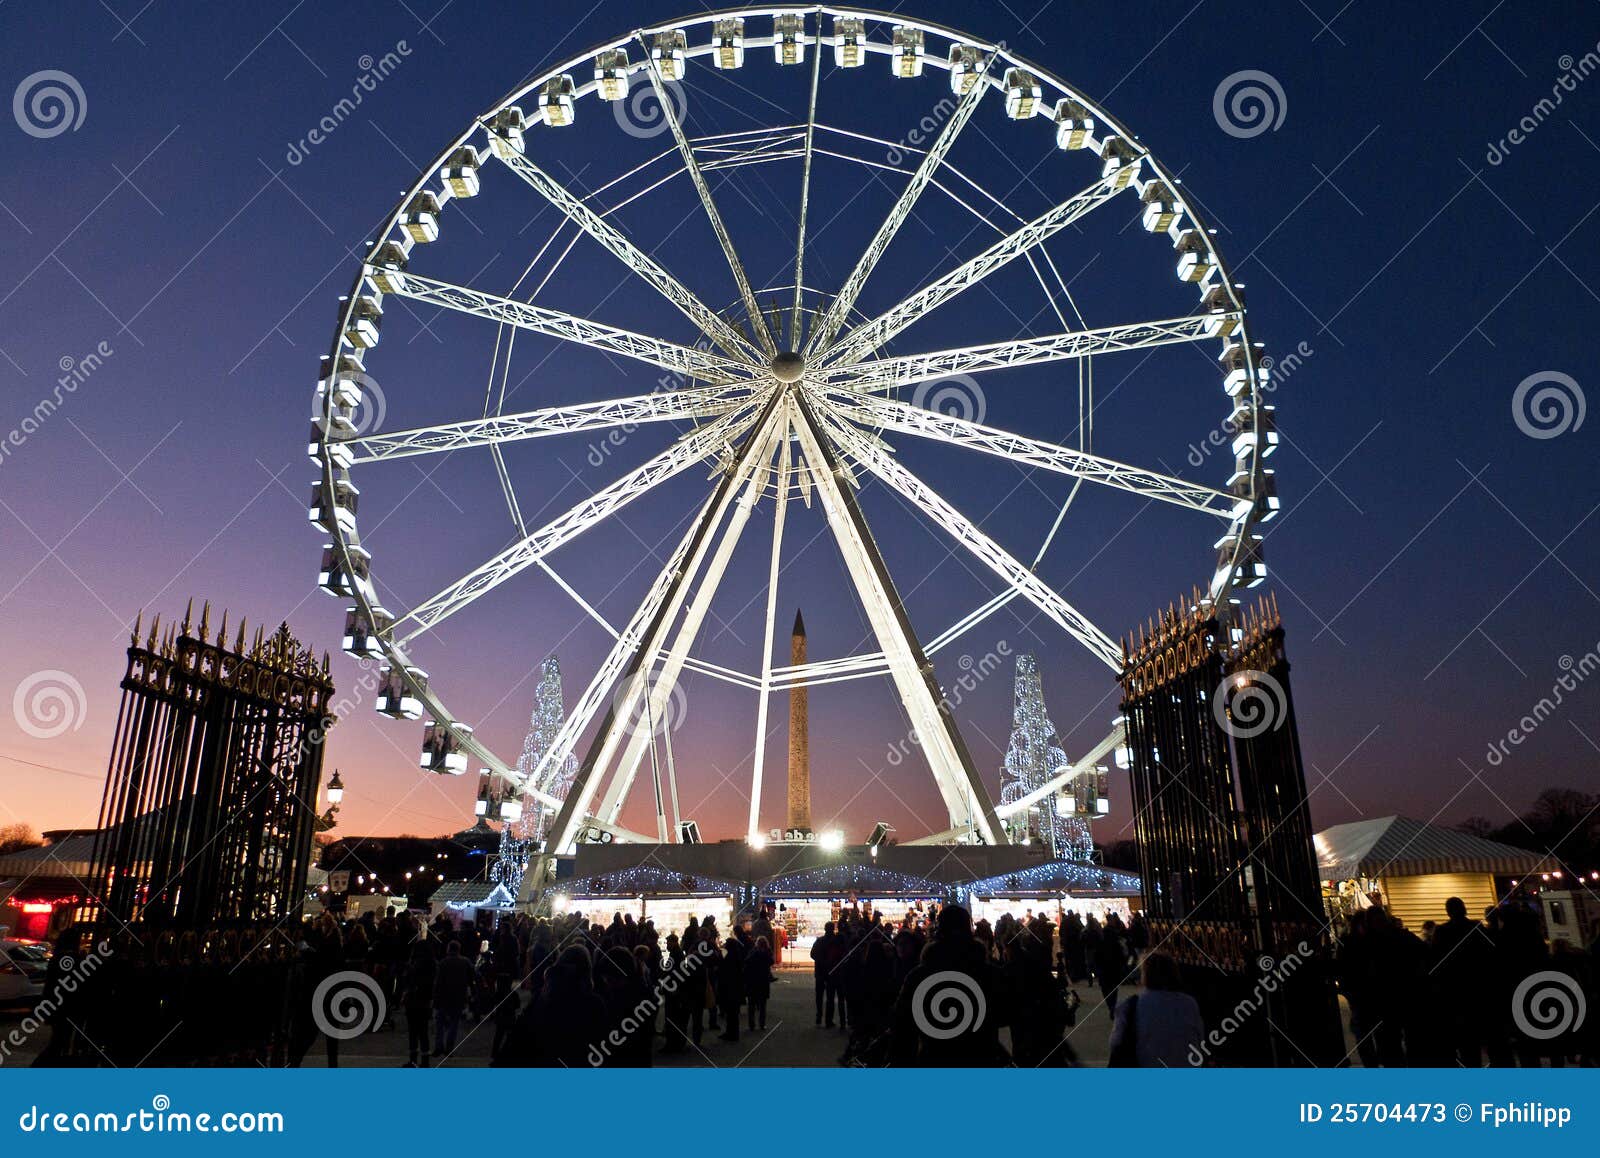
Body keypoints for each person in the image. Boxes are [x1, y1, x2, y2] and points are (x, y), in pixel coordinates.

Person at [889, 904, 1007, 1066]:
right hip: (981, 1058)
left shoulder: (920, 975)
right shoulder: (989, 973)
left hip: (934, 1060)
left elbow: (902, 1025)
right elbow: (1005, 1014)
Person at [1107, 951, 1204, 1066]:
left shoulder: (1130, 1006)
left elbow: (1115, 1043)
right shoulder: (1189, 1003)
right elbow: (1199, 1037)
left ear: (1145, 975)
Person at [432, 940, 474, 1061]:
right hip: (459, 996)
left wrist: (435, 997)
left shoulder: (443, 962)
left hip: (444, 996)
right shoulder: (465, 962)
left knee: (440, 1022)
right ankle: (449, 1048)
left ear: (449, 949)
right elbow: (472, 977)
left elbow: (438, 982)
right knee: (454, 1023)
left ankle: (439, 1046)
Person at [401, 934, 437, 1067]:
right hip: (425, 1001)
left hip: (413, 1000)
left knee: (413, 1031)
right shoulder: (433, 964)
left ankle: (413, 1060)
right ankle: (425, 1060)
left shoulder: (414, 965)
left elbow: (408, 982)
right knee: (423, 1031)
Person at [811, 921, 843, 1026]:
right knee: (830, 997)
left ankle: (819, 1016)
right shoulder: (836, 942)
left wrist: (820, 961)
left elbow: (812, 954)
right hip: (832, 972)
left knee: (819, 996)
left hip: (820, 971)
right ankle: (828, 1020)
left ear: (825, 929)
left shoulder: (819, 941)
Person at [716, 935, 746, 1041]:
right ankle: (733, 1033)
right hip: (736, 987)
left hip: (728, 987)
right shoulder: (737, 955)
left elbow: (719, 962)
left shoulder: (726, 953)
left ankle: (730, 1033)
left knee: (730, 1012)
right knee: (733, 1013)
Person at [744, 936, 774, 1032]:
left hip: (753, 980)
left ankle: (751, 1025)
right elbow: (771, 962)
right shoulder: (768, 952)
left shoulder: (753, 952)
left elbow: (747, 961)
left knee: (751, 1004)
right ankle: (762, 1024)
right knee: (762, 1005)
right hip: (763, 981)